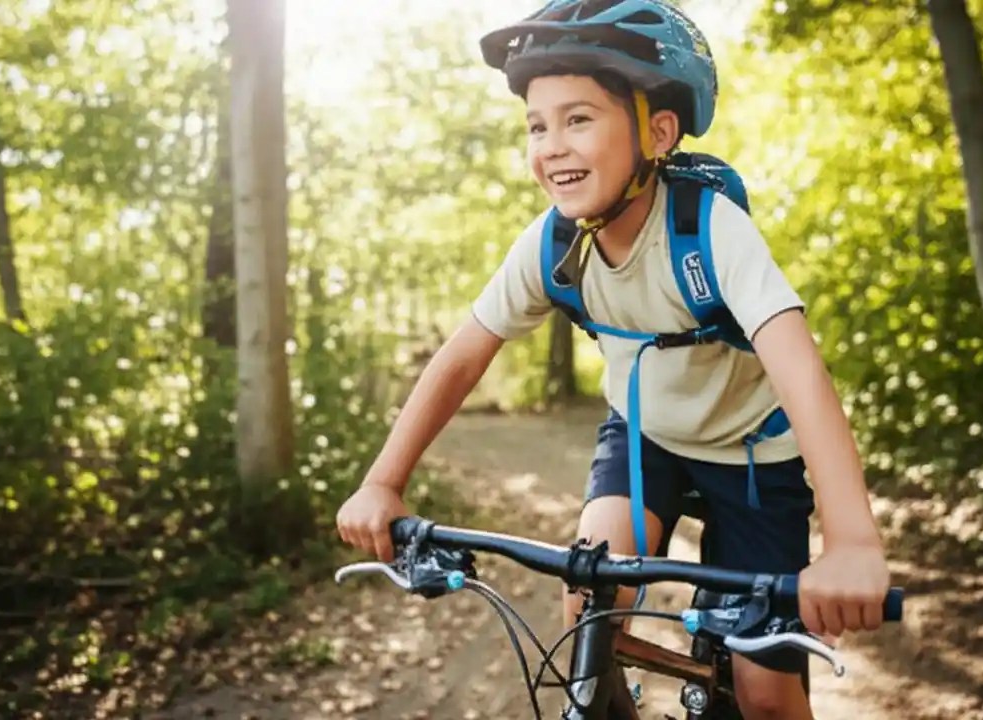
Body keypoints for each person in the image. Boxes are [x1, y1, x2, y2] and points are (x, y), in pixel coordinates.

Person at [336, 1, 890, 717]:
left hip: (753, 456)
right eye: (537, 125)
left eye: (578, 118)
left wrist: (851, 541)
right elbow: (460, 359)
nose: (551, 144)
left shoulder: (708, 229)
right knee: (586, 611)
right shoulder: (549, 245)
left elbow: (800, 373)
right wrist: (384, 482)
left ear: (658, 133)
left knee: (765, 695)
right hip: (644, 438)